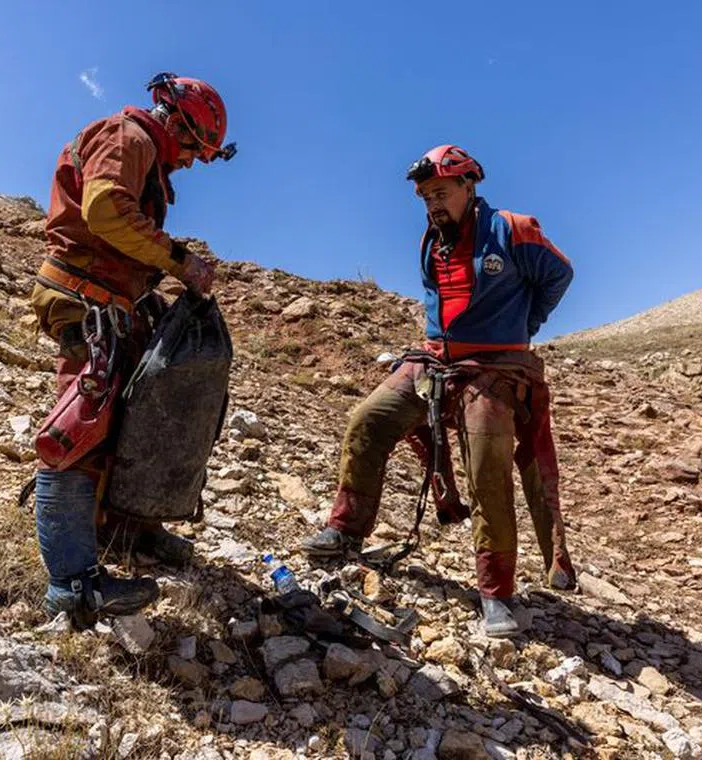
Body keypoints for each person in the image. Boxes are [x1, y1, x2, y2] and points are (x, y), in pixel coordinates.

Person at [300, 145, 576, 637]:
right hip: (436, 361)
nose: (432, 203)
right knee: (369, 420)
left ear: (469, 187)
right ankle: (345, 529)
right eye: (426, 196)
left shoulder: (513, 230)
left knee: (487, 460)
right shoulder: (433, 240)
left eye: (441, 192)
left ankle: (496, 593)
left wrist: (526, 322)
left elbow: (559, 274)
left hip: (495, 367)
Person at [30, 73, 235, 625]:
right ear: (177, 122)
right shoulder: (130, 139)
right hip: (85, 299)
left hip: (107, 299)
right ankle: (72, 587)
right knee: (80, 431)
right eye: (194, 148)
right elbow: (106, 211)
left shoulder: (142, 145)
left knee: (126, 419)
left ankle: (124, 531)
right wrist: (177, 259)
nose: (191, 162)